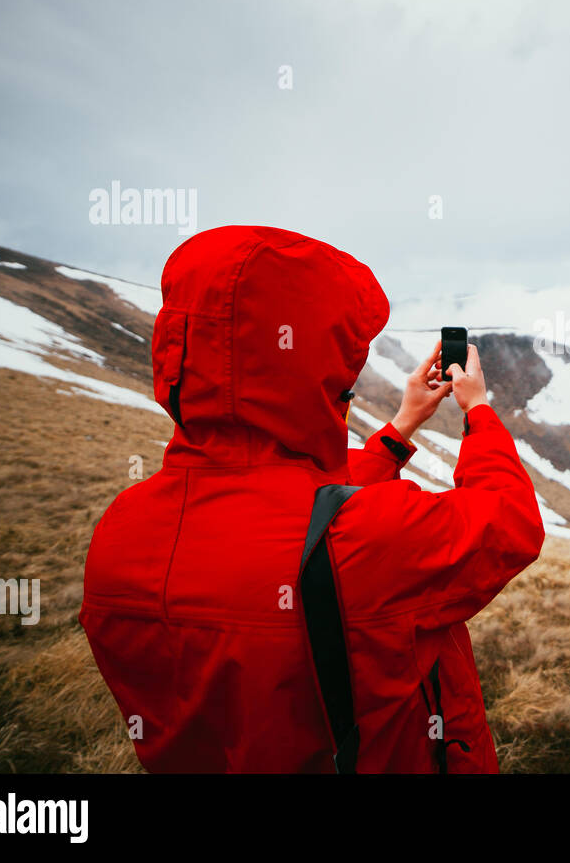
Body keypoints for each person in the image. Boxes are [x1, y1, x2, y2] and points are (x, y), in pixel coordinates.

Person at [79, 225, 544, 772]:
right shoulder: (363, 540)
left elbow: (294, 513)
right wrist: (479, 412)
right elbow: (510, 520)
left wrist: (400, 429)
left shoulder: (121, 529)